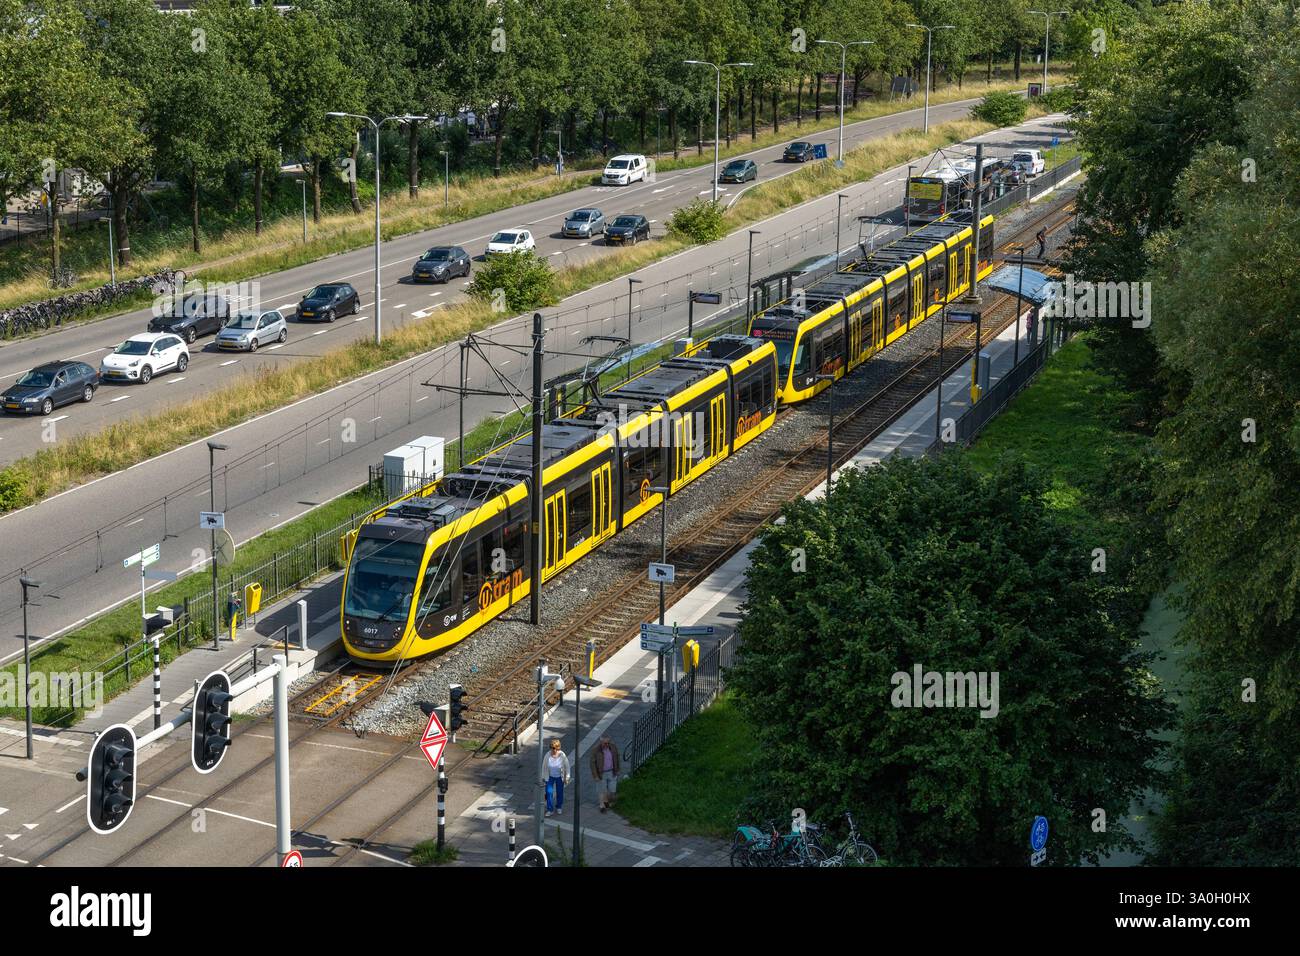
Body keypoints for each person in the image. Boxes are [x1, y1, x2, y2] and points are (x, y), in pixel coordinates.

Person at [590, 736, 621, 812]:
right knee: (601, 790)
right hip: (601, 773)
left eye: (608, 743)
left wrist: (618, 769)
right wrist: (595, 775)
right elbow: (592, 763)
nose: (607, 745)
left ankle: (606, 800)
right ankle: (602, 805)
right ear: (601, 742)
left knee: (612, 790)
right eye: (605, 743)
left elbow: (617, 757)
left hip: (612, 772)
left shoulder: (613, 747)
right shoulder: (595, 750)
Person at [544, 738, 570, 816]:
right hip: (550, 776)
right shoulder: (547, 755)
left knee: (559, 792)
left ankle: (559, 807)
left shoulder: (562, 755)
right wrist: (543, 777)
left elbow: (567, 766)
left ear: (558, 748)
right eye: (551, 748)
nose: (553, 750)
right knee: (549, 792)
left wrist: (567, 777)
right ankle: (550, 809)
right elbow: (544, 766)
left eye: (554, 748)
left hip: (559, 776)